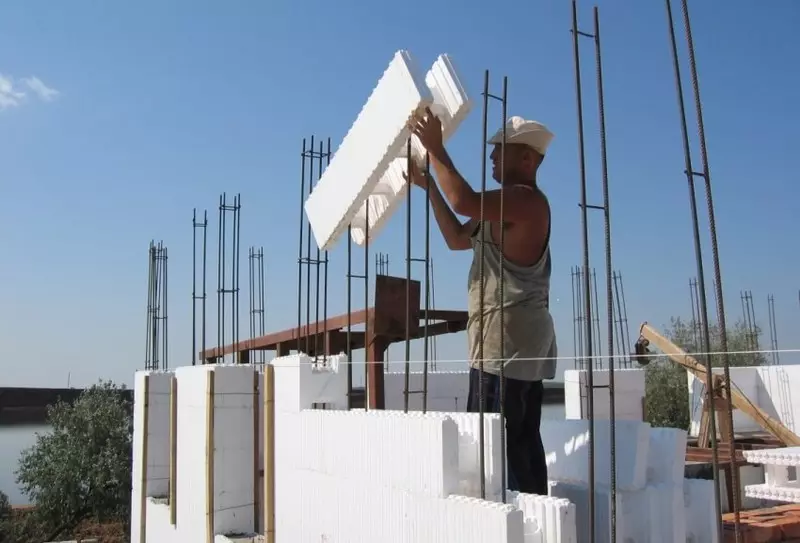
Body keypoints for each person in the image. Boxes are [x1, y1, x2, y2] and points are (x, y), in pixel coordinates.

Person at [406, 109, 557, 495]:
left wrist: (436, 148)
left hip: (508, 347)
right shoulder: (500, 207)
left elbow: (463, 200)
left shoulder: (526, 202)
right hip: (502, 343)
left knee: (499, 451)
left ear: (527, 159)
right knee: (516, 448)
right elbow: (458, 237)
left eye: (500, 150)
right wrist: (429, 187)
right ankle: (532, 522)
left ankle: (518, 524)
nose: (491, 156)